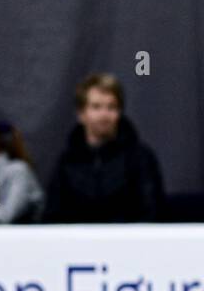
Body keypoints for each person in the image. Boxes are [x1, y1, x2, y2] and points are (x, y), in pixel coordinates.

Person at [41, 73, 163, 223]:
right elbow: (52, 218)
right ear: (81, 114)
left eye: (111, 107)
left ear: (119, 112)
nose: (104, 115)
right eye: (96, 107)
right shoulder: (67, 162)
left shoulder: (140, 158)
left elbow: (152, 214)